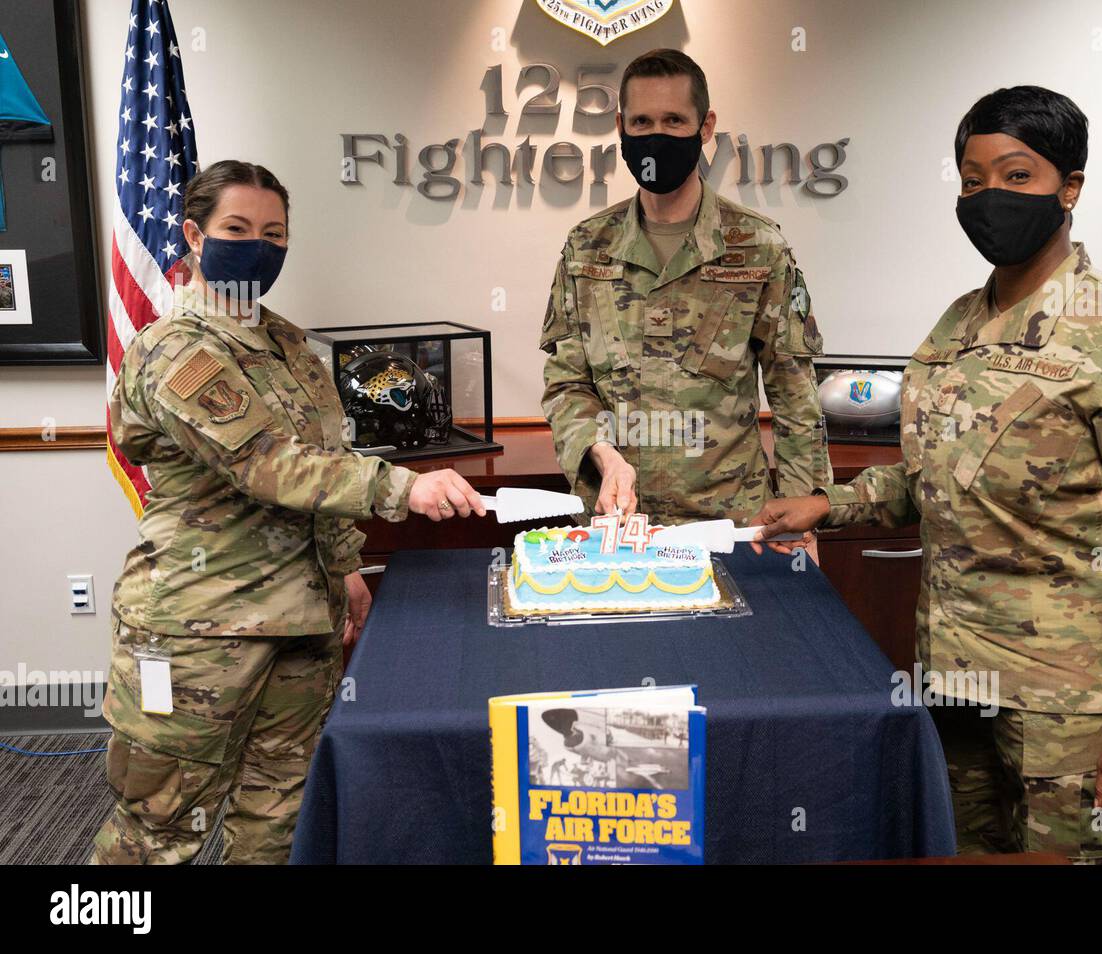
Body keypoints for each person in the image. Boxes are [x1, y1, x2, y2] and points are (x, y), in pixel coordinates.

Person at [752, 87, 1102, 864]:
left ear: (1068, 187)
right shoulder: (959, 323)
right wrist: (825, 506)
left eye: (1016, 176)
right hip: (957, 670)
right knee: (961, 852)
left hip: (1068, 699)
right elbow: (934, 477)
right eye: (972, 181)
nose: (988, 198)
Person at [94, 160, 485, 864]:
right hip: (199, 632)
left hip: (300, 622)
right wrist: (404, 489)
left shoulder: (288, 346)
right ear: (193, 234)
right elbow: (268, 465)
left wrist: (345, 569)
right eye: (237, 230)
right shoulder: (178, 350)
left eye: (274, 233)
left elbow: (325, 457)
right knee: (159, 830)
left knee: (278, 819)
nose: (258, 247)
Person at [540, 49, 830, 526]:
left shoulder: (758, 247)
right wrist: (604, 455)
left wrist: (802, 515)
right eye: (642, 122)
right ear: (620, 127)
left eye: (674, 120)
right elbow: (567, 383)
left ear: (706, 125)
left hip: (731, 527)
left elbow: (794, 395)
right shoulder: (587, 249)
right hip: (617, 523)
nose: (657, 135)